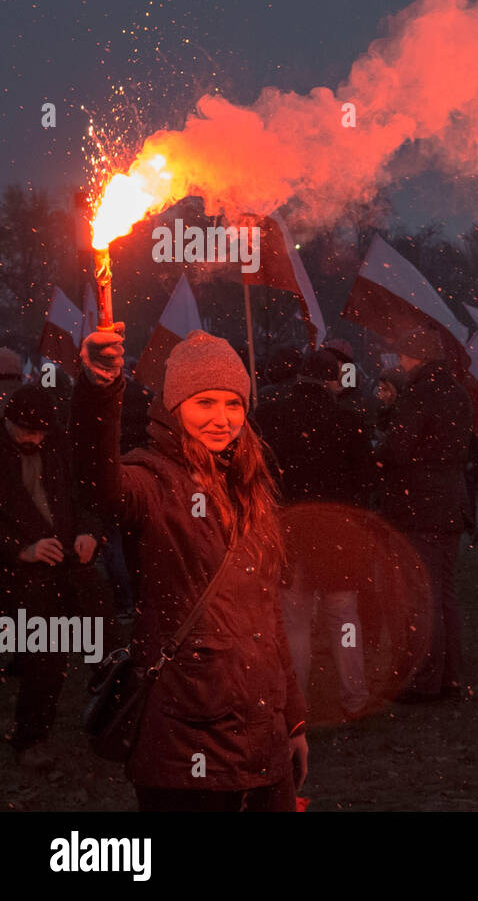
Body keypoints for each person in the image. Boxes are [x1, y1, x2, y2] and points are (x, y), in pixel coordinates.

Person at [74, 327, 308, 811]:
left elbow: (268, 616)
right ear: (172, 408)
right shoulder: (152, 480)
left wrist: (295, 722)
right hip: (184, 734)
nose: (223, 419)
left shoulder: (250, 488)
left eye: (233, 404)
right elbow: (97, 482)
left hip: (263, 736)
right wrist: (100, 392)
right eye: (204, 402)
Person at [256, 348, 376, 718]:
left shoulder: (270, 417)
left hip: (290, 527)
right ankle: (354, 695)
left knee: (295, 618)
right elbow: (364, 480)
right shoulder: (347, 422)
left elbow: (261, 474)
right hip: (336, 530)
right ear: (332, 379)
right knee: (343, 614)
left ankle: (298, 700)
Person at [1, 386, 101, 769]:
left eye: (41, 433)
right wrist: (20, 549)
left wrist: (90, 532)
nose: (35, 440)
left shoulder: (59, 445)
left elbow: (86, 497)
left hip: (70, 564)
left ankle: (113, 717)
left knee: (103, 644)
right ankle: (31, 737)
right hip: (18, 573)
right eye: (27, 431)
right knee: (46, 653)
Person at [376, 326, 473, 703]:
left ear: (414, 357)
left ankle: (425, 681)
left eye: (401, 356)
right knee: (443, 593)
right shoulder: (455, 391)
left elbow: (400, 447)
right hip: (450, 500)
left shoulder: (420, 392)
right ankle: (448, 675)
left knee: (424, 595)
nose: (399, 363)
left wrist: (380, 448)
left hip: (420, 502)